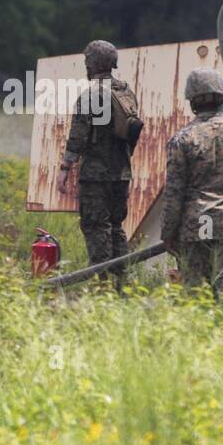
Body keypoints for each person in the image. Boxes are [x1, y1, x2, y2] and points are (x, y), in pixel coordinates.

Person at [160, 68, 223, 301]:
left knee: (195, 289)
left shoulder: (182, 139)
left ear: (193, 100)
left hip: (195, 224)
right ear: (221, 97)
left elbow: (174, 193)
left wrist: (168, 233)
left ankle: (198, 335)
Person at [58, 40, 137, 290]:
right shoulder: (126, 92)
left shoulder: (92, 95)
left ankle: (101, 284)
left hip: (95, 175)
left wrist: (64, 170)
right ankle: (121, 281)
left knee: (95, 226)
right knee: (116, 227)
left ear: (92, 63)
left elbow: (78, 137)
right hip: (121, 173)